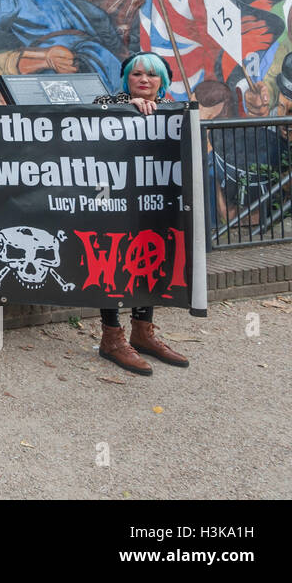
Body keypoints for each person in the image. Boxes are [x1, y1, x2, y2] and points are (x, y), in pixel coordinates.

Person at [92, 52, 190, 375]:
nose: (144, 79)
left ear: (161, 82)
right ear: (126, 80)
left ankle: (142, 332)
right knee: (112, 259)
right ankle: (111, 337)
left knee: (149, 259)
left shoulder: (171, 112)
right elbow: (93, 110)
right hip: (111, 201)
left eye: (151, 75)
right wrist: (125, 106)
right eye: (136, 75)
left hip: (150, 204)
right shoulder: (111, 101)